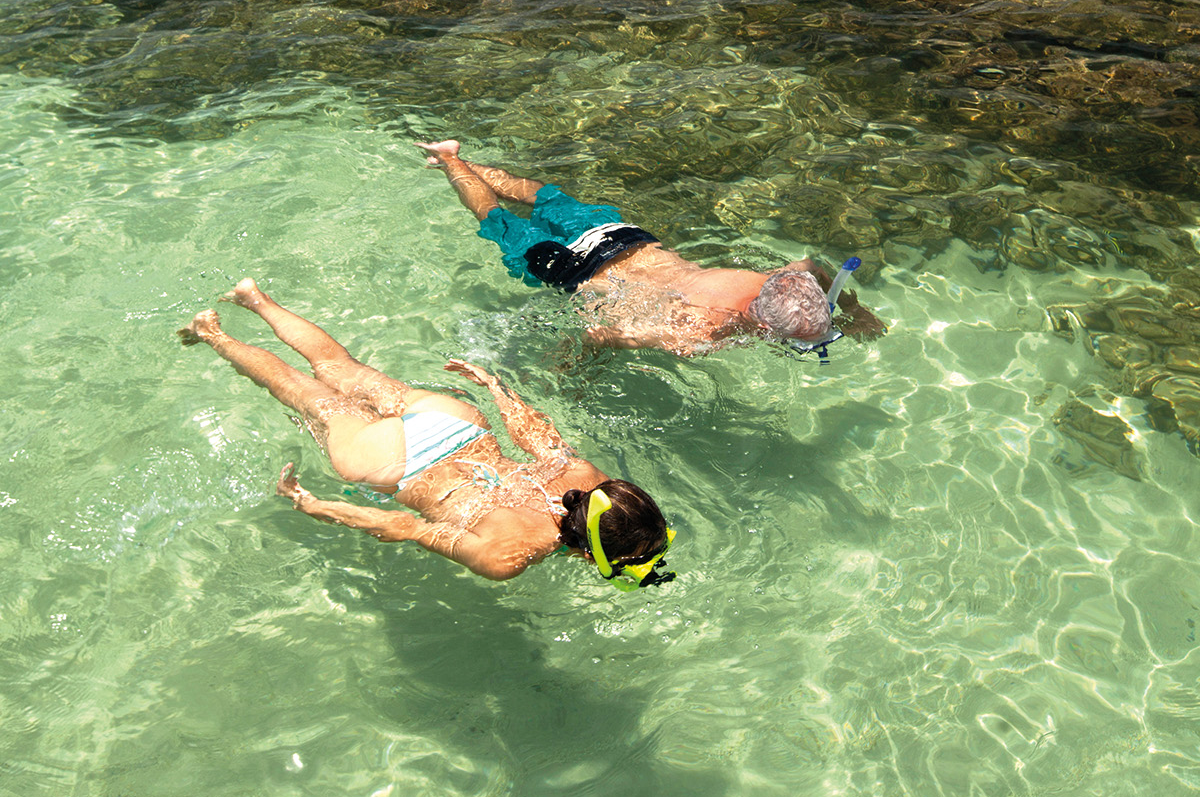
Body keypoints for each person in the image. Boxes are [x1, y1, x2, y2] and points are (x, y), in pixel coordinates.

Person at [179, 279, 674, 586]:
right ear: (590, 553)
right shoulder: (509, 555)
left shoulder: (588, 478)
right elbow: (410, 527)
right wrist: (316, 506)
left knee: (338, 366)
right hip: (394, 463)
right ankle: (211, 332)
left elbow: (534, 433)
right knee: (295, 388)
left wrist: (495, 388)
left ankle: (253, 297)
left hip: (456, 426)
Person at [420, 140, 888, 359]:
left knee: (548, 198)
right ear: (765, 325)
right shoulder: (703, 331)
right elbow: (602, 334)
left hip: (622, 238)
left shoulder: (780, 279)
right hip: (575, 269)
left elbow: (813, 265)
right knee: (494, 219)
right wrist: (573, 371)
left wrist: (853, 309)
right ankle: (448, 161)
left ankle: (454, 153)